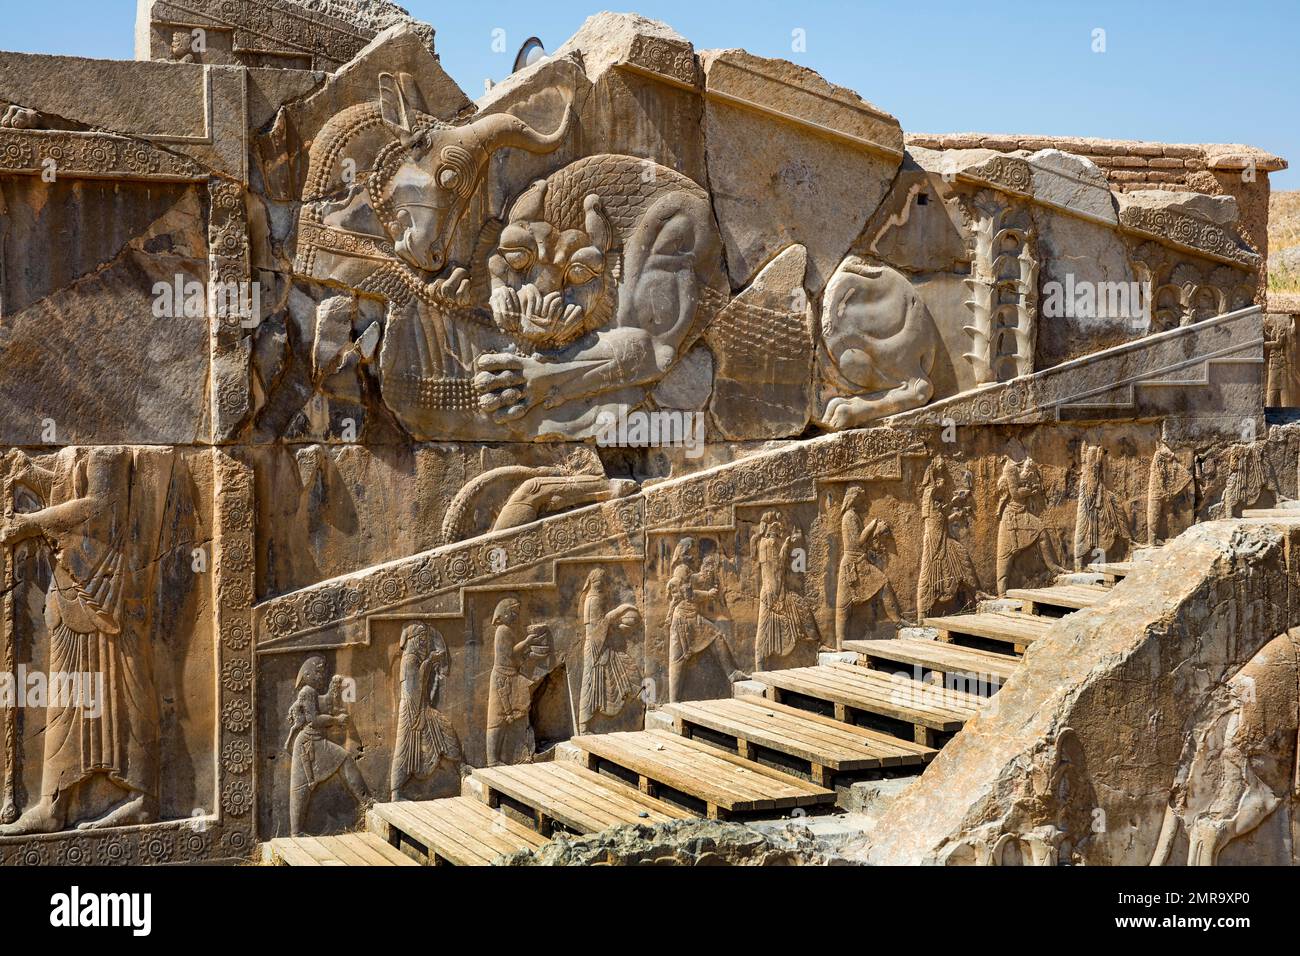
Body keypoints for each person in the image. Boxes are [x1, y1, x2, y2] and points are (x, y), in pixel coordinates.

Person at [0, 447, 160, 835]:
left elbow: (101, 506)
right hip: (74, 582)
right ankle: (55, 804)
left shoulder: (111, 453)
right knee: (66, 697)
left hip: (105, 589)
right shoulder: (79, 451)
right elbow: (72, 489)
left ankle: (140, 799)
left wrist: (29, 523)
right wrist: (32, 472)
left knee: (123, 688)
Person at [285, 655, 370, 836]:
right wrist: (335, 720)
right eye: (318, 672)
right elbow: (314, 720)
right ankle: (367, 803)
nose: (321, 676)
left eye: (322, 672)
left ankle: (296, 831)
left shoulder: (312, 693)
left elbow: (324, 704)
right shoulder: (307, 692)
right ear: (307, 675)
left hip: (313, 741)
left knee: (303, 786)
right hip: (311, 742)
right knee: (303, 785)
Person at [667, 538, 747, 702]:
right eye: (694, 551)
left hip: (684, 617)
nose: (697, 554)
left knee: (678, 660)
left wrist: (703, 576)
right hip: (687, 619)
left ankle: (673, 700)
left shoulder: (683, 570)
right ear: (686, 553)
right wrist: (707, 594)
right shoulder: (682, 570)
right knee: (712, 638)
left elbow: (691, 581)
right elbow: (688, 594)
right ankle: (731, 673)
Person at [390, 623, 462, 800]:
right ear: (413, 640)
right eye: (421, 639)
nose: (424, 643)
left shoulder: (414, 659)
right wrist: (429, 662)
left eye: (425, 639)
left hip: (420, 706)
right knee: (405, 749)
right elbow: (413, 687)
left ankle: (460, 769)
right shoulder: (409, 660)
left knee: (443, 729)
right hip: (412, 710)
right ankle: (396, 793)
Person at [577, 570, 640, 734]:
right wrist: (619, 611)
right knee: (590, 684)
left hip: (603, 645)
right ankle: (584, 727)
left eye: (603, 581)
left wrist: (620, 626)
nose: (602, 584)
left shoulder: (598, 597)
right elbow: (596, 630)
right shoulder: (593, 599)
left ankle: (634, 712)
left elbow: (602, 626)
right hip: (596, 648)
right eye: (599, 581)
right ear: (591, 581)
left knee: (626, 671)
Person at [834, 488, 898, 649]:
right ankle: (839, 646)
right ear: (854, 498)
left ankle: (897, 620)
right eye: (861, 498)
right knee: (843, 607)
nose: (864, 502)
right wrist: (872, 525)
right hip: (852, 563)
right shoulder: (849, 517)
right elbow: (859, 541)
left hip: (857, 561)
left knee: (845, 607)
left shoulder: (853, 515)